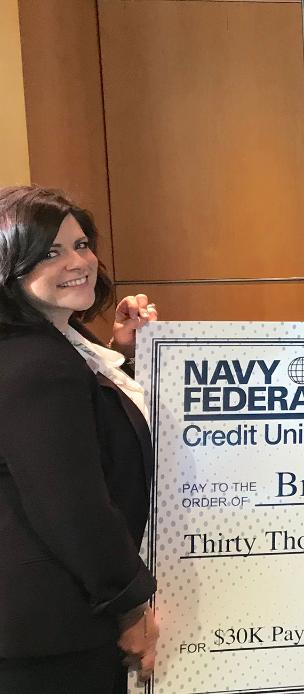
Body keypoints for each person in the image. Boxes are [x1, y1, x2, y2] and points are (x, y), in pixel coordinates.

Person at [0, 186, 160, 692]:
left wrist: (121, 352)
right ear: (9, 267)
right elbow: (72, 505)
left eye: (81, 244)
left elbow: (89, 425)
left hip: (52, 622)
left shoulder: (58, 342)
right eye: (50, 252)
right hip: (55, 632)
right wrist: (130, 605)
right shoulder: (37, 363)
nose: (78, 262)